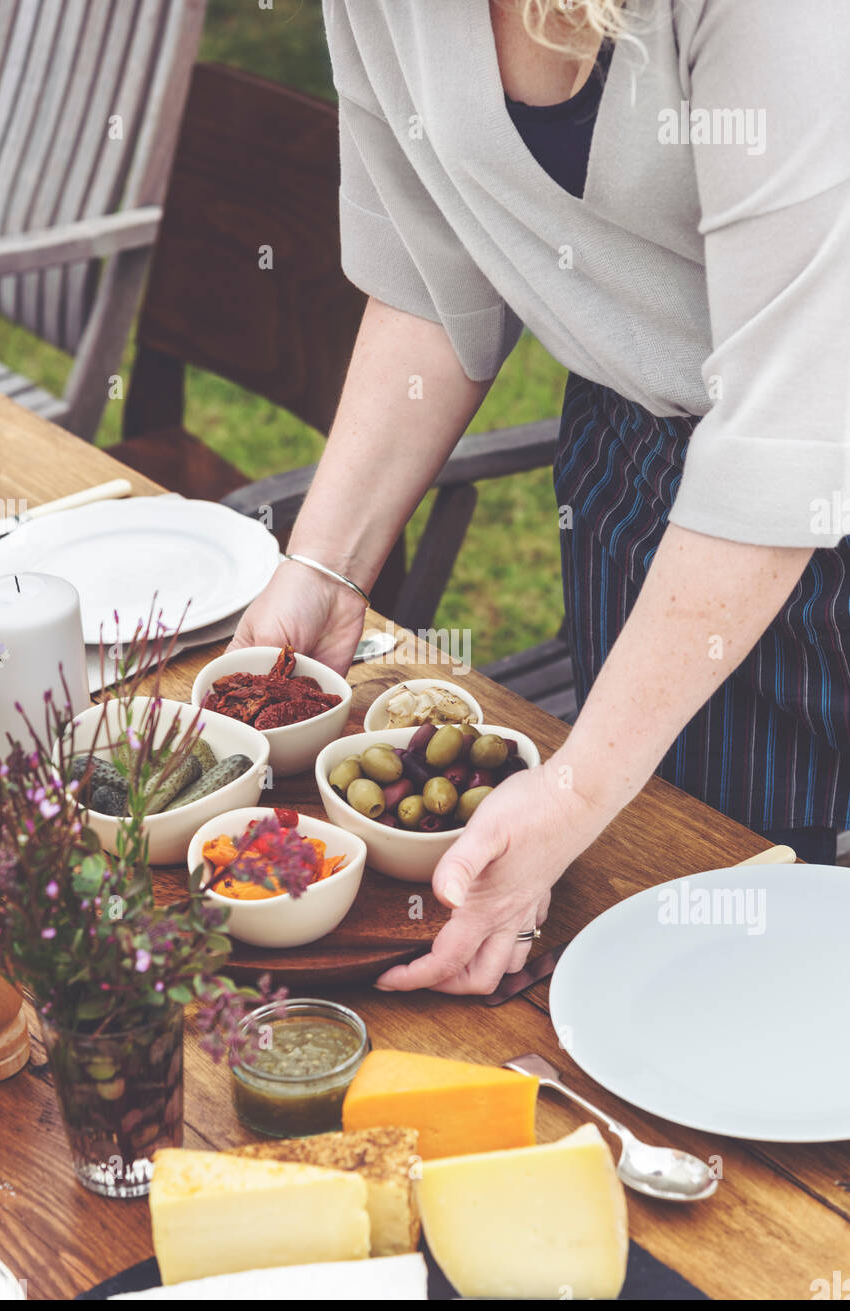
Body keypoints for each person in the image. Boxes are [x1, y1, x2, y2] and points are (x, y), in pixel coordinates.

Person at [231, 0, 850, 994]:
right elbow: (432, 274)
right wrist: (326, 566)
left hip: (813, 456)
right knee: (688, 937)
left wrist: (573, 787)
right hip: (643, 478)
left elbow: (794, 421)